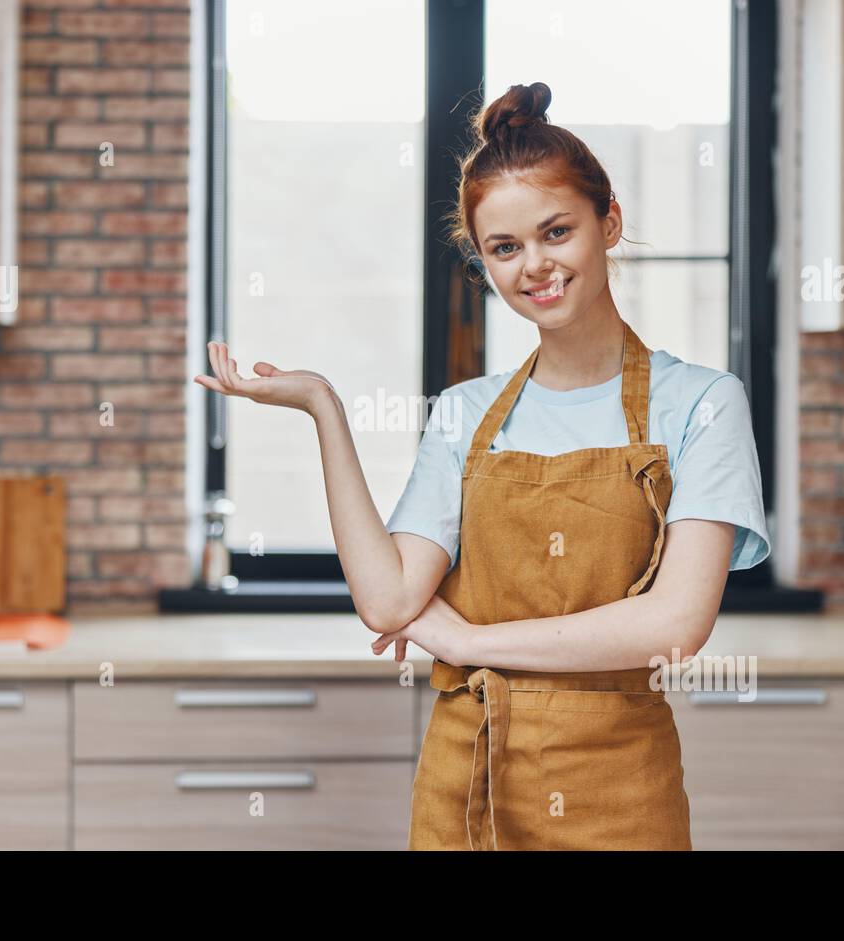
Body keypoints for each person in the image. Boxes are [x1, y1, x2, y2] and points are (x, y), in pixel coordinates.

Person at [193, 81, 770, 850]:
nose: (536, 265)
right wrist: (322, 406)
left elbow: (674, 624)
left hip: (617, 798)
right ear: (485, 262)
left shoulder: (702, 403)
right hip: (462, 785)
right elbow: (390, 599)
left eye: (556, 230)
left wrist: (467, 641)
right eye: (505, 248)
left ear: (610, 221)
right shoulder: (465, 412)